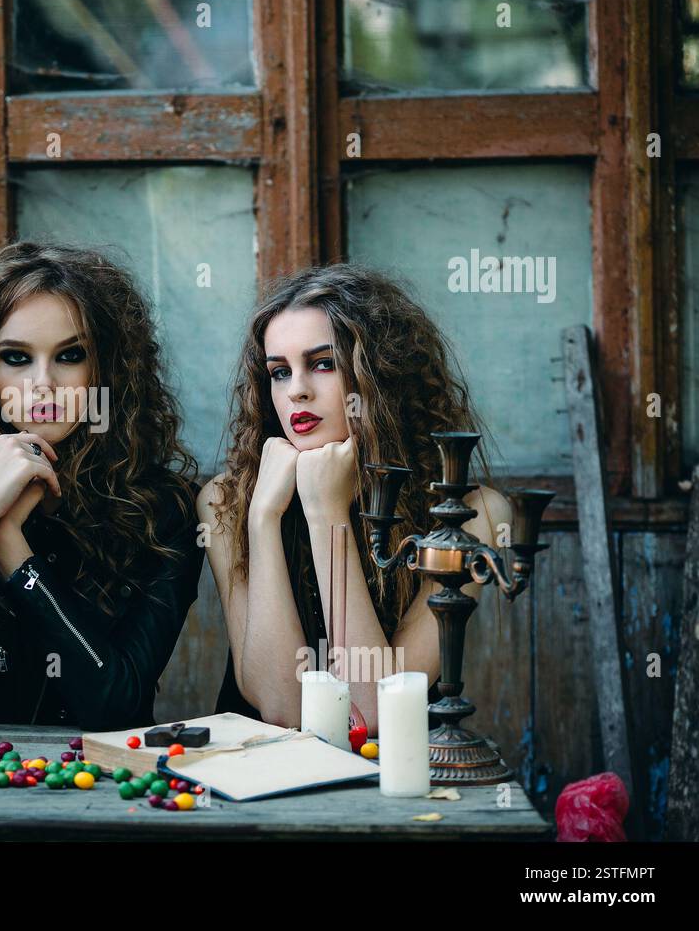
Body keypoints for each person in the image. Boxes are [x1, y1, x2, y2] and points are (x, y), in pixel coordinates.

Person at [0, 241, 204, 731]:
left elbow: (113, 704)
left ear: (108, 369)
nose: (43, 385)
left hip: (103, 789)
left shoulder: (164, 507)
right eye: (16, 357)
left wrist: (9, 540)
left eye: (70, 355)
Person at [199, 263, 511, 733]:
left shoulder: (474, 515)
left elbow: (373, 710)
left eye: (323, 364)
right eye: (279, 372)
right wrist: (264, 515)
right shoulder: (226, 499)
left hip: (390, 783)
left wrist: (327, 513)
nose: (298, 390)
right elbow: (281, 706)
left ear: (381, 377)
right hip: (256, 783)